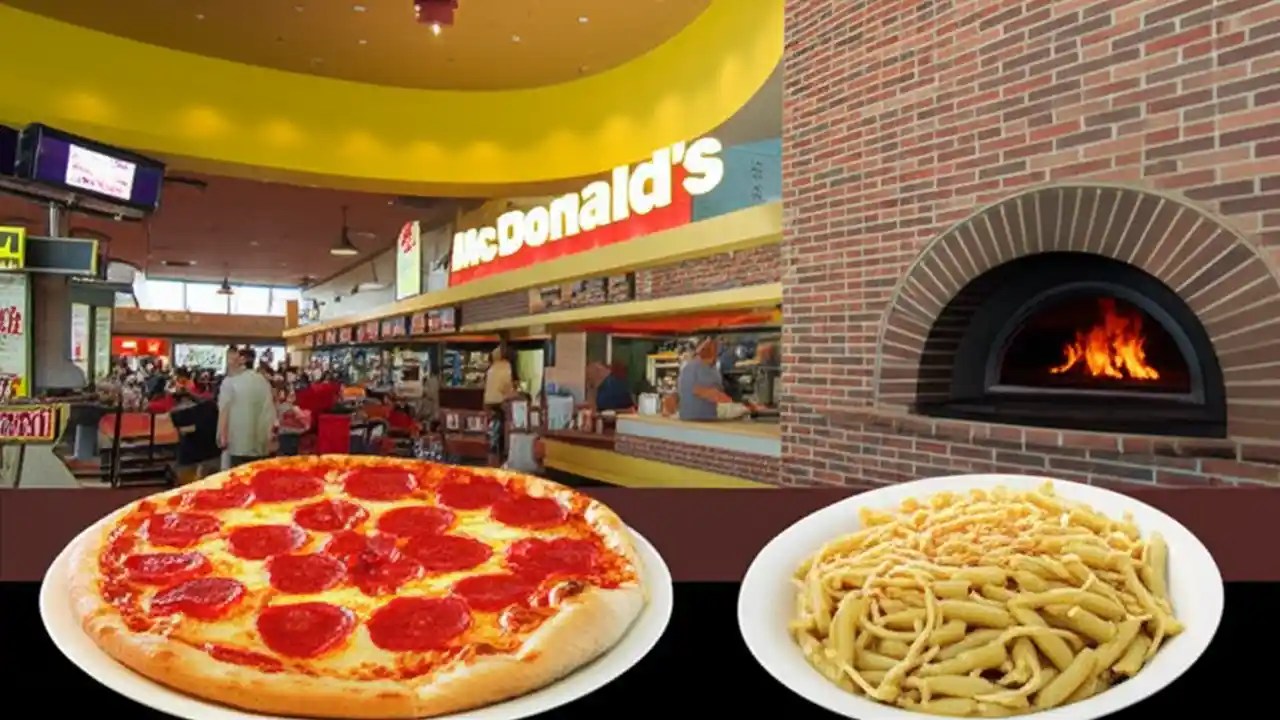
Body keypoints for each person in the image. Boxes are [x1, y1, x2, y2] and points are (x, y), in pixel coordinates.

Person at [217, 347, 277, 468]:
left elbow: (224, 411)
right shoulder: (263, 381)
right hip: (261, 445)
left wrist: (221, 436)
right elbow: (269, 411)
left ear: (241, 360)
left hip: (238, 444)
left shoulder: (230, 382)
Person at [677, 338, 733, 421]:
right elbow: (705, 392)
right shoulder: (696, 368)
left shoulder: (710, 368)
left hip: (698, 418)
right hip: (700, 419)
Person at [483, 346, 516, 465]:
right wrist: (514, 392)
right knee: (505, 426)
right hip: (500, 402)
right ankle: (503, 454)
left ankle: (493, 451)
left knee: (494, 430)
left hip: (488, 403)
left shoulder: (491, 368)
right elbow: (505, 387)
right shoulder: (506, 366)